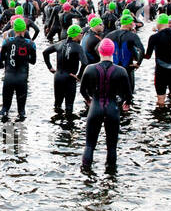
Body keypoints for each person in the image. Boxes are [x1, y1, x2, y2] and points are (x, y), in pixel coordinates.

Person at [79, 37, 131, 173]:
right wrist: (126, 104)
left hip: (95, 108)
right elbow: (128, 94)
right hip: (112, 109)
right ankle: (111, 175)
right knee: (112, 146)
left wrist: (89, 100)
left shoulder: (90, 69)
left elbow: (82, 90)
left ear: (99, 52)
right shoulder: (121, 71)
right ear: (113, 52)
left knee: (90, 145)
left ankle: (86, 175)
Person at [42, 23, 87, 116]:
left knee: (57, 104)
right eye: (81, 33)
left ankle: (58, 124)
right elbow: (85, 63)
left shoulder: (59, 43)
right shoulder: (78, 47)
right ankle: (69, 127)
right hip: (70, 78)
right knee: (69, 106)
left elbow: (45, 52)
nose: (82, 35)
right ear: (76, 35)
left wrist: (50, 67)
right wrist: (79, 76)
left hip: (58, 77)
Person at [0, 17, 37, 120]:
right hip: (22, 78)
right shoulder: (31, 44)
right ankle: (21, 133)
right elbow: (33, 61)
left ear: (14, 30)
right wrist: (23, 57)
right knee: (21, 112)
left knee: (4, 110)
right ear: (25, 30)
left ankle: (4, 132)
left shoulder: (6, 42)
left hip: (9, 77)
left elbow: (0, 58)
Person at [145, 14, 171, 107]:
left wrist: (138, 56)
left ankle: (161, 116)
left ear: (158, 23)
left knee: (161, 98)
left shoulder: (154, 37)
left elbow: (148, 55)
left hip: (161, 70)